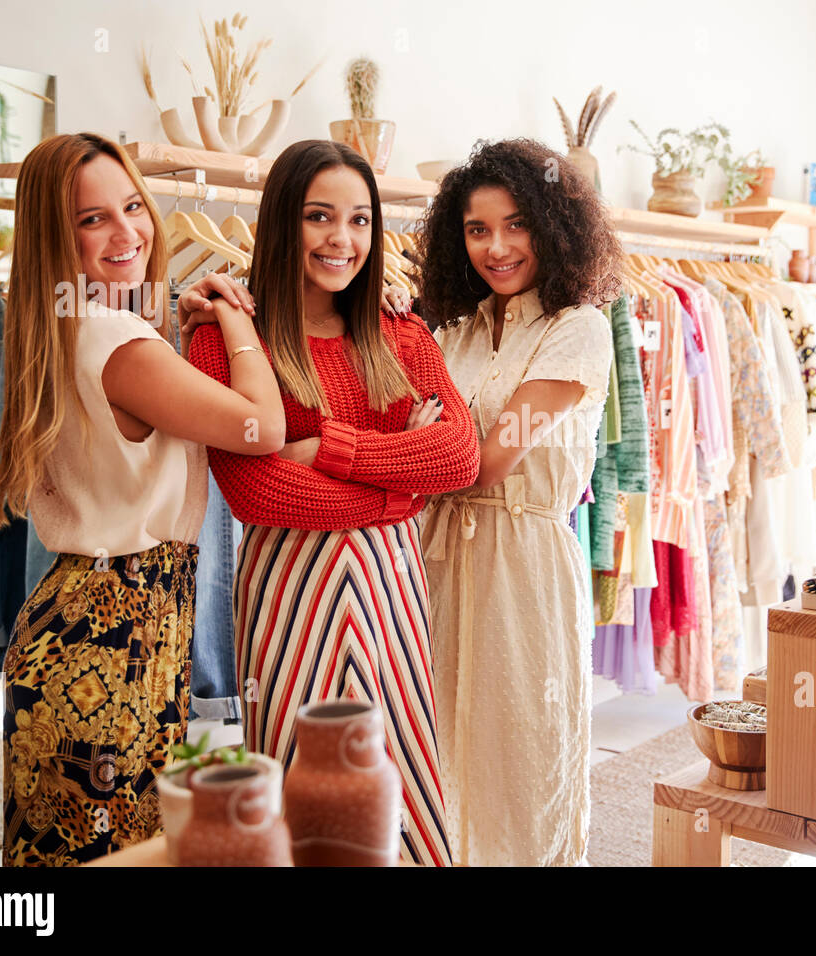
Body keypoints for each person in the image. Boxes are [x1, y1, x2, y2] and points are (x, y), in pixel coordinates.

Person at [0, 132, 285, 866]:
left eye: (131, 206)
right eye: (92, 220)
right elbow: (264, 427)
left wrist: (173, 324)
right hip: (113, 639)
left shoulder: (61, 325)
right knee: (119, 854)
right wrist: (234, 316)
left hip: (89, 628)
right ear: (59, 235)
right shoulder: (116, 337)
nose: (127, 233)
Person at [185, 140, 478, 867]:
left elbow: (460, 455)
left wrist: (326, 451)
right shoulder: (224, 336)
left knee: (397, 762)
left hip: (392, 584)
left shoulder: (401, 332)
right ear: (284, 220)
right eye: (320, 217)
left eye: (359, 220)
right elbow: (256, 491)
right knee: (301, 777)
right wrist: (397, 490)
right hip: (289, 587)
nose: (341, 240)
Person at [416, 138, 622, 865]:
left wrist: (378, 459)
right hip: (435, 561)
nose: (496, 247)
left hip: (523, 566)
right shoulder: (455, 331)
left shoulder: (579, 332)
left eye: (515, 224)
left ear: (552, 225)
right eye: (477, 229)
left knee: (523, 755)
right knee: (437, 752)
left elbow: (488, 460)